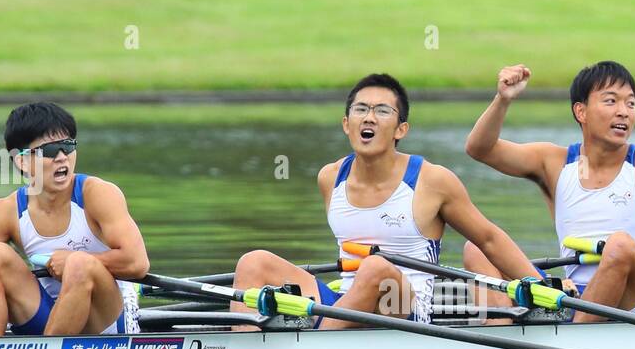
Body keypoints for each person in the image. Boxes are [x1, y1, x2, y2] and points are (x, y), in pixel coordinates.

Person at [232, 73, 543, 329]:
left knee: (376, 268)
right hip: (346, 302)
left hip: (404, 307)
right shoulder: (330, 177)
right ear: (346, 124)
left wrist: (539, 285)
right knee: (254, 262)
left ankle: (317, 347)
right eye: (361, 109)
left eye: (382, 111)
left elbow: (488, 239)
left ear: (400, 130)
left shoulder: (432, 181)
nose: (369, 118)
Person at [462, 61, 635, 322]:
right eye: (611, 101)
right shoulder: (552, 163)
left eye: (630, 104)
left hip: (634, 300)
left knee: (619, 245)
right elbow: (480, 149)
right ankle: (499, 332)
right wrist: (503, 100)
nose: (624, 111)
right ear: (580, 111)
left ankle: (573, 341)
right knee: (477, 249)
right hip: (572, 296)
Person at [0, 102, 148, 347]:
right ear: (21, 162)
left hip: (105, 321)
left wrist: (75, 259)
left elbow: (137, 263)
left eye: (68, 146)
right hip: (44, 316)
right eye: (50, 150)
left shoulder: (98, 195)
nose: (62, 157)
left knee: (79, 264)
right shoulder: (5, 211)